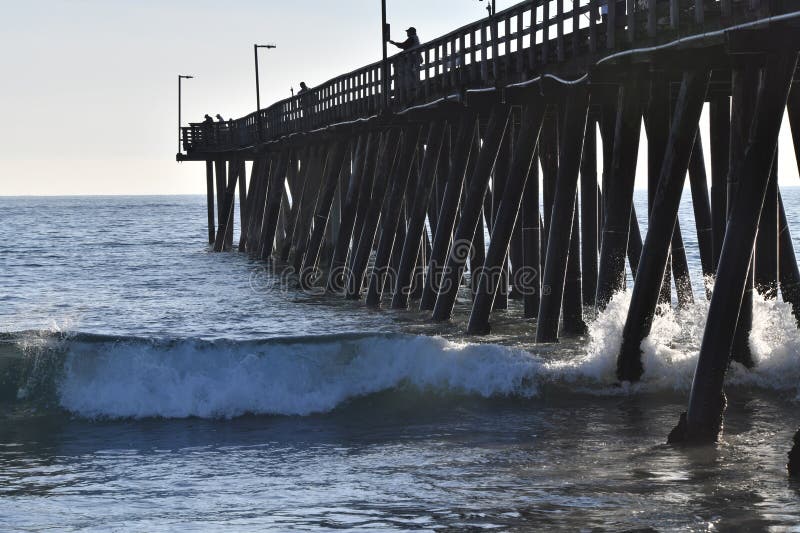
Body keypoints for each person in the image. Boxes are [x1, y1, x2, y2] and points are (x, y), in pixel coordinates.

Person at [389, 27, 423, 97]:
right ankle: (413, 84)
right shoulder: (415, 38)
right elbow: (405, 45)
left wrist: (394, 43)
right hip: (415, 58)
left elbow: (404, 45)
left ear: (411, 32)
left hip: (413, 58)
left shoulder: (412, 38)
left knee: (410, 72)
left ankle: (412, 85)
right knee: (412, 72)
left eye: (408, 32)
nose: (407, 33)